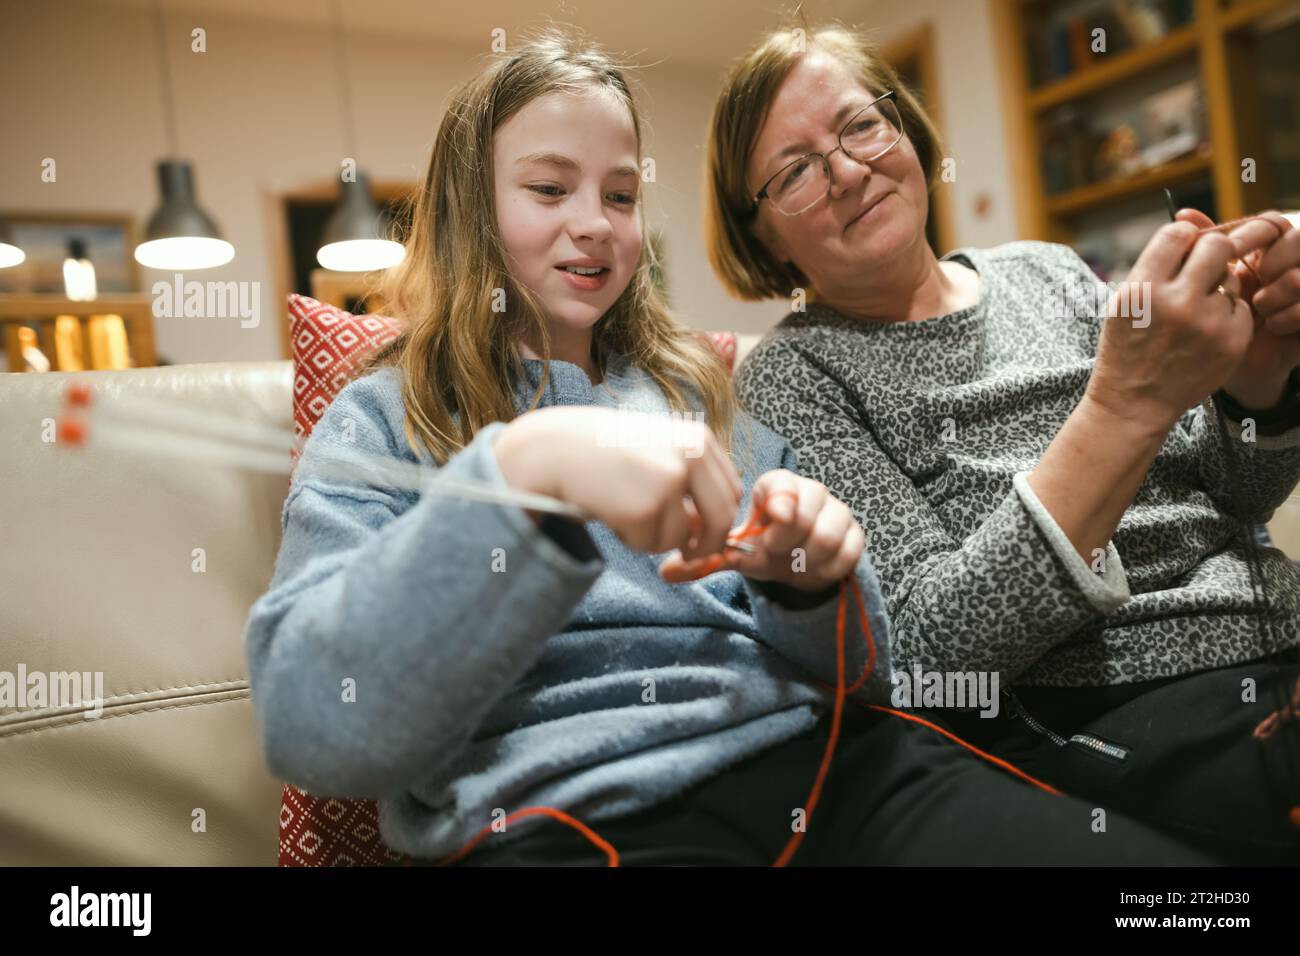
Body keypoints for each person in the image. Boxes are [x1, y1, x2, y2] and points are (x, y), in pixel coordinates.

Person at [244, 29, 1214, 866]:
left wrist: (812, 581)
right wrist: (523, 471)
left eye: (620, 195)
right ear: (465, 210)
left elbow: (869, 673)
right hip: (572, 810)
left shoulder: (698, 393)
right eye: (548, 187)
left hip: (836, 769)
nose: (594, 223)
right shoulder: (381, 419)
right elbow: (312, 723)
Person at [704, 22, 1300, 864]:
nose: (845, 171)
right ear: (761, 233)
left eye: (860, 125)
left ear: (904, 127)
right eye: (794, 171)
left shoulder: (1046, 270)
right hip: (1110, 710)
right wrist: (1125, 404)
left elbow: (1231, 495)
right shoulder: (793, 378)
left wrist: (1259, 385)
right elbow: (925, 660)